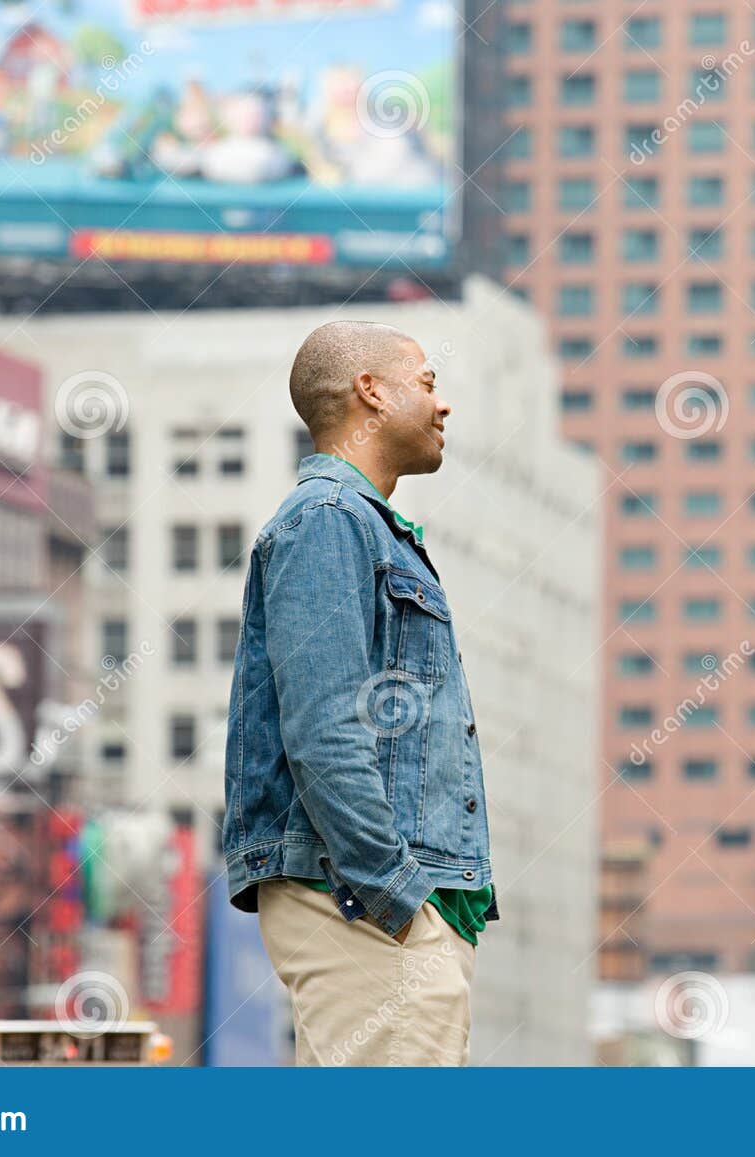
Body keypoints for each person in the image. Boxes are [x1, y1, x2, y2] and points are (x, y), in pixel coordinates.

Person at [222, 319, 496, 1066]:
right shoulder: (328, 522)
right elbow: (325, 734)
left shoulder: (364, 528)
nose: (444, 407)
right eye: (428, 383)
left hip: (373, 906)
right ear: (371, 392)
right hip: (361, 903)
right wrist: (398, 896)